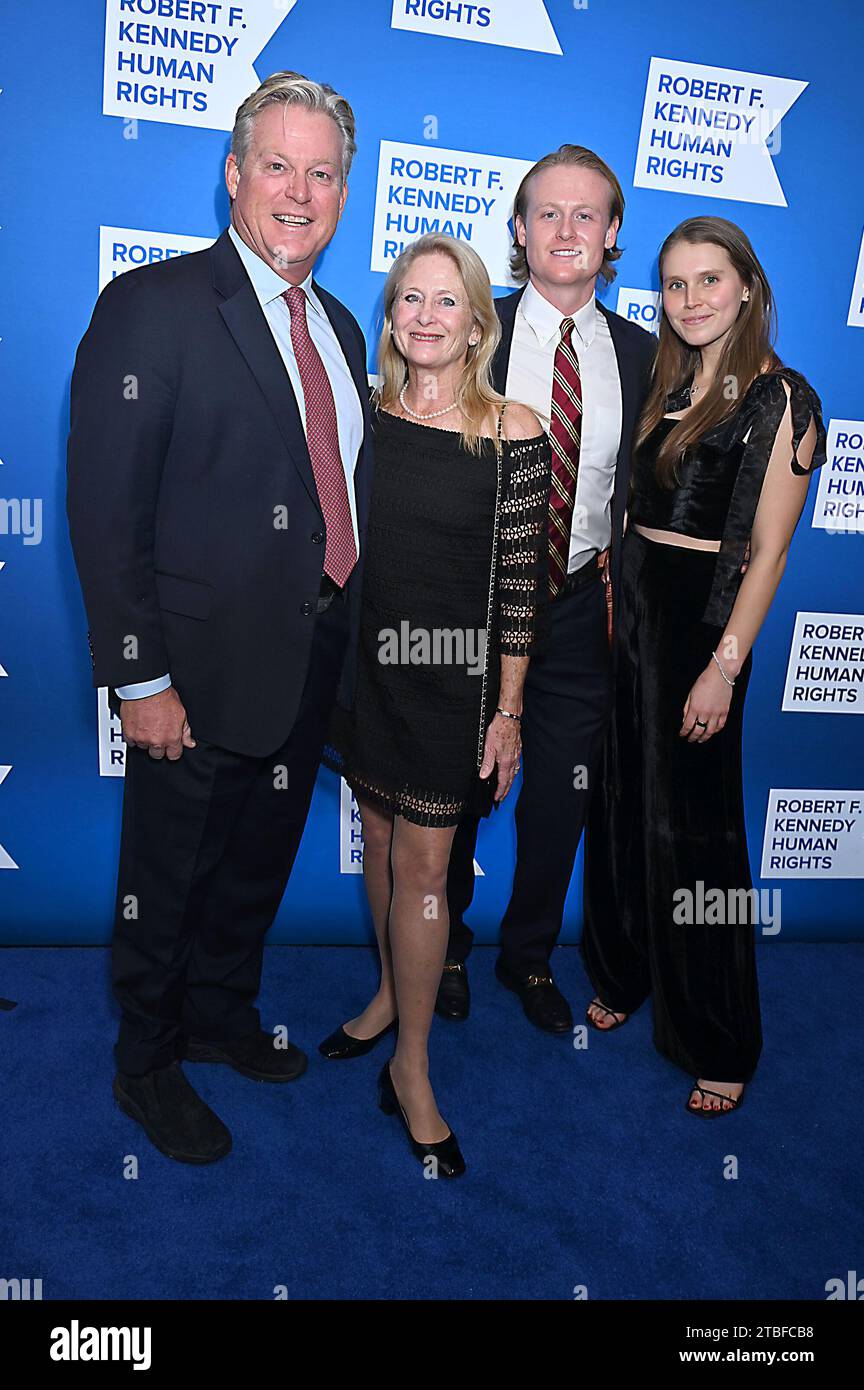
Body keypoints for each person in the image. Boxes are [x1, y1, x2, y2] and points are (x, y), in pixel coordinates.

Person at [66, 72, 373, 1164]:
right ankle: (145, 1061)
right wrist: (141, 679)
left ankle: (219, 1013)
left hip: (308, 660)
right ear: (234, 176)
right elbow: (107, 511)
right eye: (278, 166)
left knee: (254, 865)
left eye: (322, 171)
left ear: (345, 190)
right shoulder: (152, 305)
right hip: (191, 676)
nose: (300, 190)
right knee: (170, 876)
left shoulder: (340, 324)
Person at [581, 215, 826, 1114]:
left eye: (709, 282)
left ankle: (719, 1037)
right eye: (675, 285)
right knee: (622, 803)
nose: (689, 301)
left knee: (699, 832)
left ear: (748, 288)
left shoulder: (780, 398)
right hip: (636, 608)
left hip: (701, 628)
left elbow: (768, 553)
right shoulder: (669, 383)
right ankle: (628, 969)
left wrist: (724, 666)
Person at [320, 233, 550, 1175]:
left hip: (450, 692)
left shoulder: (516, 432)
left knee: (424, 868)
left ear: (477, 323)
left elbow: (521, 589)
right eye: (409, 299)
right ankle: (385, 994)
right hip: (364, 674)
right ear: (390, 318)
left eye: (446, 301)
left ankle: (412, 1068)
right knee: (375, 844)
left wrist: (508, 711)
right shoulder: (360, 418)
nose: (425, 316)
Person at [440, 146, 656, 1032]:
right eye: (548, 213)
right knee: (449, 787)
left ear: (612, 237)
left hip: (578, 609)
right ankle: (441, 946)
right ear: (519, 232)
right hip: (469, 603)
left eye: (587, 215)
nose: (567, 230)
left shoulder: (650, 357)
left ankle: (526, 958)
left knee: (560, 795)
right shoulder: (467, 330)